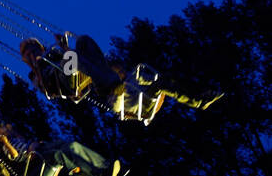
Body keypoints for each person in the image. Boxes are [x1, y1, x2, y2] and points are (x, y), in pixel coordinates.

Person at [19, 34, 222, 114]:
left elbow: (71, 57)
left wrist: (63, 48)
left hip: (84, 74)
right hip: (62, 83)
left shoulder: (52, 53)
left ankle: (199, 99)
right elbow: (45, 88)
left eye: (34, 48)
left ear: (40, 46)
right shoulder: (34, 75)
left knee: (83, 41)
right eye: (28, 53)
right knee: (73, 56)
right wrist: (38, 64)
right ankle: (107, 80)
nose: (33, 53)